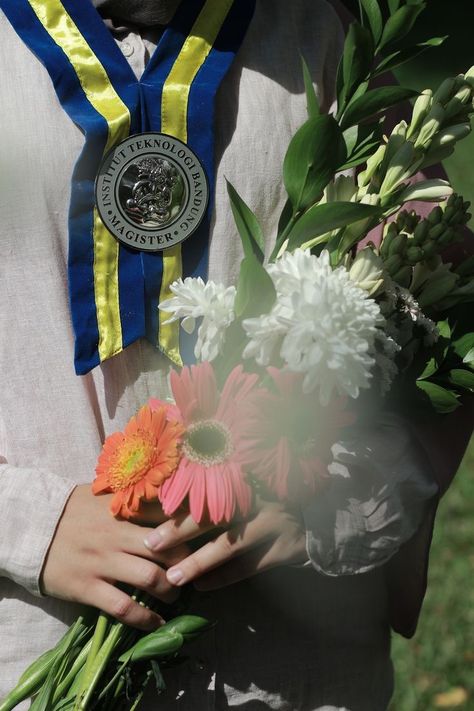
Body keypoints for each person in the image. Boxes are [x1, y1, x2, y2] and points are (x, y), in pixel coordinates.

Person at [0, 1, 472, 709]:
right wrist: (33, 524)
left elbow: (432, 326)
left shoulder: (325, 40)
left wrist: (334, 488)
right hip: (32, 646)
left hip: (285, 663)